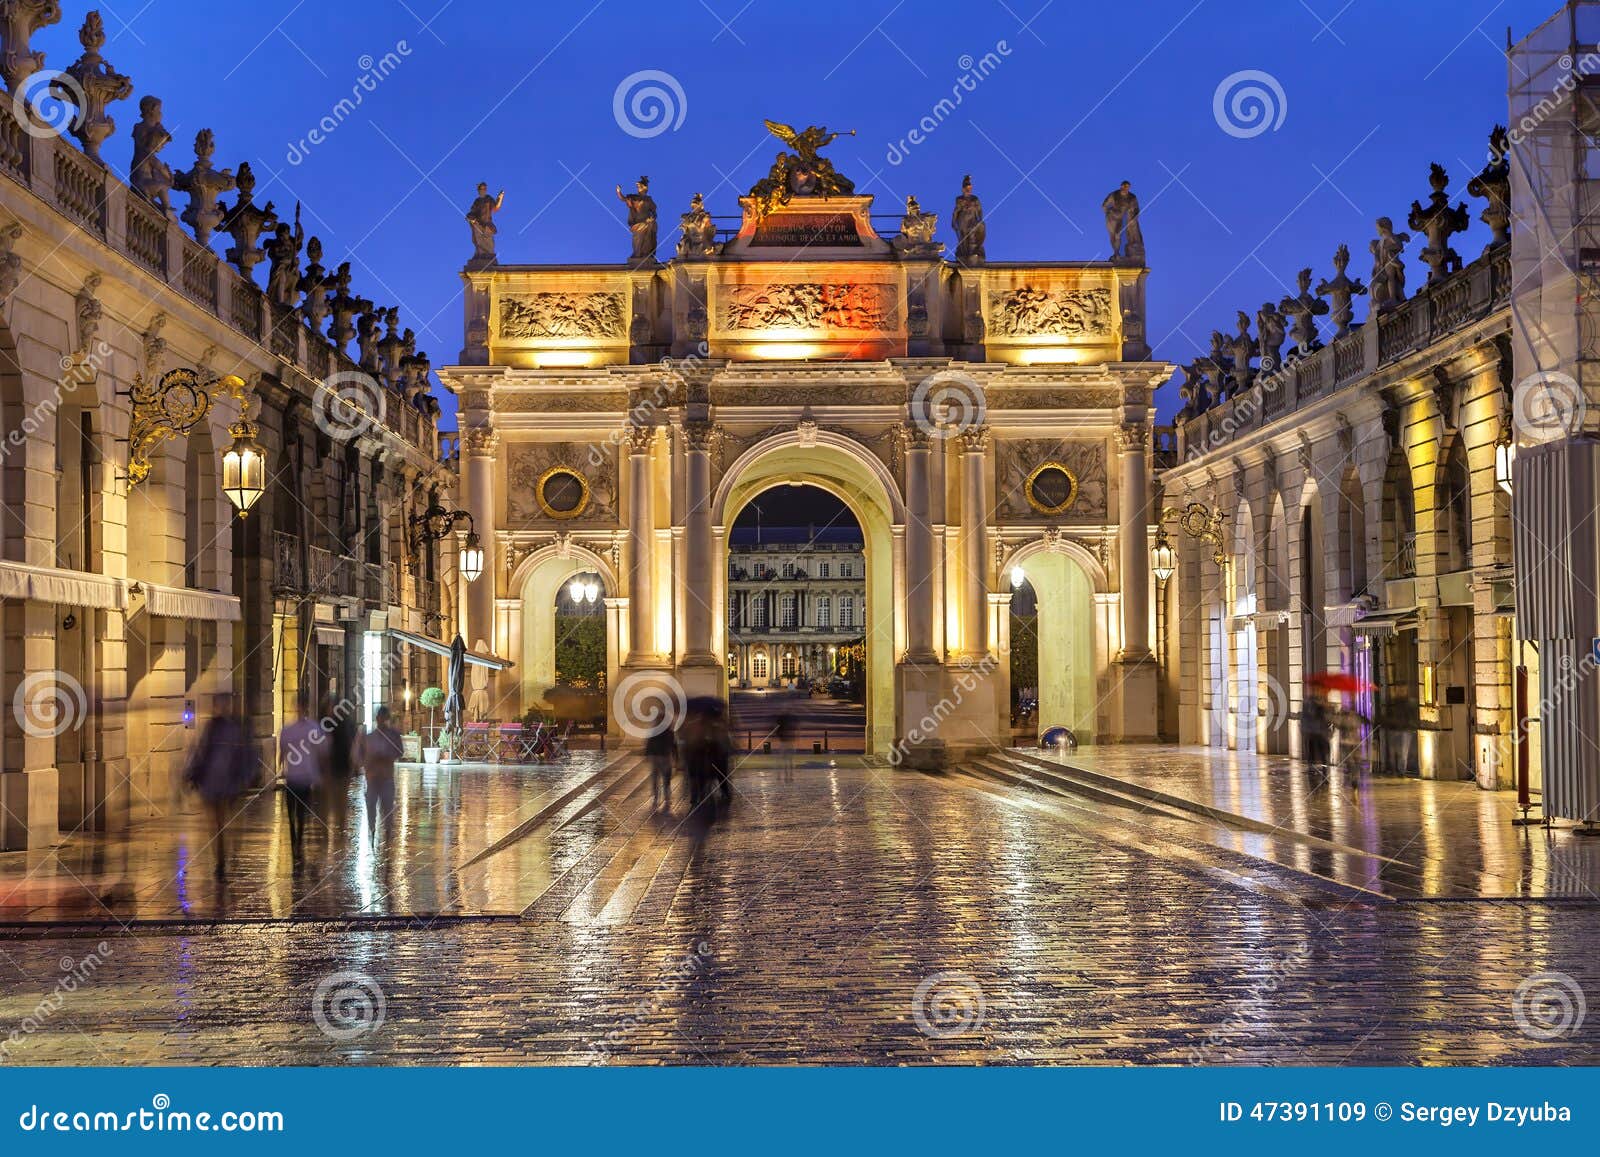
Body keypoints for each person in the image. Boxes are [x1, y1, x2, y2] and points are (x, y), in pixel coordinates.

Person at [184, 693, 255, 880]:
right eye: (220, 704)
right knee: (216, 824)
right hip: (212, 783)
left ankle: (224, 857)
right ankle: (221, 859)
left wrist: (243, 776)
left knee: (221, 823)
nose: (222, 708)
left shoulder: (232, 728)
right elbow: (201, 751)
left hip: (227, 783)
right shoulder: (212, 727)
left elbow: (241, 754)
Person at [278, 691, 328, 866]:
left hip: (305, 778)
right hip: (293, 777)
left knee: (300, 815)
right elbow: (283, 752)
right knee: (293, 816)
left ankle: (297, 844)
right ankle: (295, 845)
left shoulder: (312, 728)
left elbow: (322, 752)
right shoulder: (291, 730)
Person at [355, 706, 405, 842]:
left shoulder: (393, 736)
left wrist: (386, 757)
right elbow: (359, 757)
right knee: (371, 804)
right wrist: (367, 761)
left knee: (388, 807)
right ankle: (372, 829)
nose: (383, 721)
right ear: (377, 719)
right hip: (372, 778)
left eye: (385, 719)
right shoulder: (369, 738)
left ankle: (388, 833)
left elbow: (400, 752)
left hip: (386, 776)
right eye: (381, 718)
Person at [645, 709, 676, 811]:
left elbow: (649, 743)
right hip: (663, 756)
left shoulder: (654, 730)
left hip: (657, 756)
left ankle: (656, 797)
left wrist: (647, 754)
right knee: (665, 777)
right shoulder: (668, 730)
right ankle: (666, 797)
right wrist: (676, 757)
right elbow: (673, 745)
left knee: (656, 777)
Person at [775, 710, 796, 783]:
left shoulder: (780, 727)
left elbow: (777, 734)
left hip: (784, 743)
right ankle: (789, 775)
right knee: (789, 759)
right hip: (787, 743)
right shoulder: (789, 726)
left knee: (784, 759)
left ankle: (782, 775)